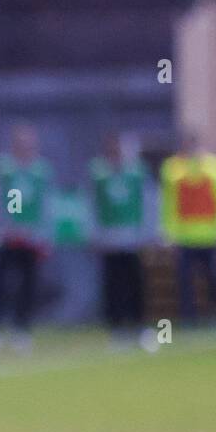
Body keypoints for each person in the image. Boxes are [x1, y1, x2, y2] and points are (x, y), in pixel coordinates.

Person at [0, 123, 53, 354]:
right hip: (7, 235)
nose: (25, 145)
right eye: (21, 141)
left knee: (28, 286)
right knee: (1, 283)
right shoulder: (4, 167)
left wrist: (40, 232)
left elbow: (46, 202)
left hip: (32, 237)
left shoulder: (41, 169)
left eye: (29, 141)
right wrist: (8, 225)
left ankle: (22, 330)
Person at [160, 133, 216, 325]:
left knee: (214, 278)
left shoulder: (214, 167)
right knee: (185, 281)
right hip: (184, 236)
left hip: (210, 235)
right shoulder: (173, 169)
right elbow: (169, 203)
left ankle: (215, 314)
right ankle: (188, 318)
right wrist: (168, 232)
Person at [90, 133, 151, 335]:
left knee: (135, 283)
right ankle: (116, 326)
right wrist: (94, 233)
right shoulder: (99, 174)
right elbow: (93, 205)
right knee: (113, 285)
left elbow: (147, 202)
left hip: (131, 236)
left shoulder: (135, 173)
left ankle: (139, 324)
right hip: (109, 237)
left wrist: (147, 232)